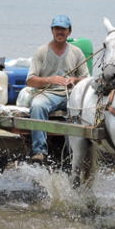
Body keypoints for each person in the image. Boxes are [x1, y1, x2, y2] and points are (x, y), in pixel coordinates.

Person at [26, 15, 90, 164]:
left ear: (69, 31)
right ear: (52, 30)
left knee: (82, 112)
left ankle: (73, 151)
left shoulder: (77, 52)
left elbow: (86, 79)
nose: (59, 32)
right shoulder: (41, 51)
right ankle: (39, 151)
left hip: (71, 95)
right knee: (37, 106)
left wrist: (74, 81)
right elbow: (30, 80)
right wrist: (50, 80)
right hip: (49, 94)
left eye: (63, 29)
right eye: (57, 29)